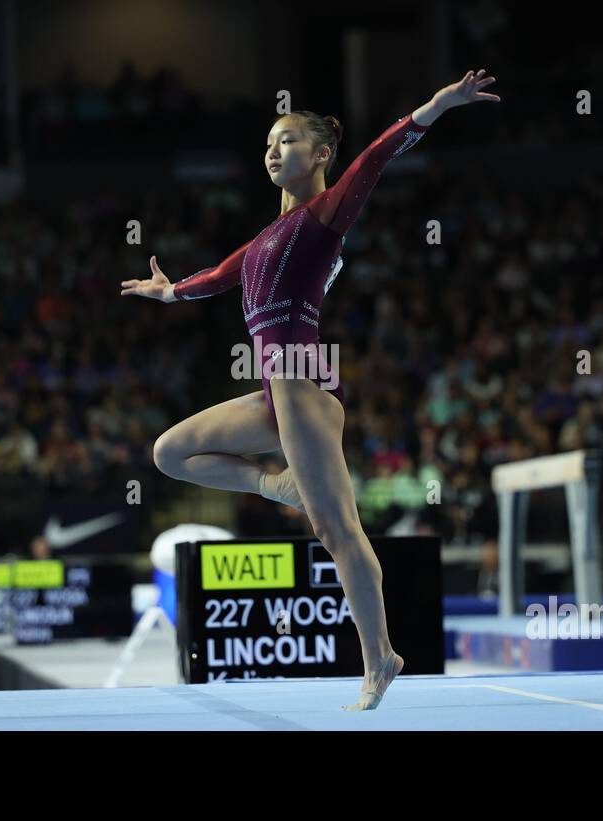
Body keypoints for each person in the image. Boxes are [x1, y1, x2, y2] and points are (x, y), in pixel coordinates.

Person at [121, 69, 499, 709]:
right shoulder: (268, 234)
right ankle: (277, 485)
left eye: (288, 140)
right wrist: (171, 291)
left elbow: (377, 158)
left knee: (337, 530)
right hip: (276, 386)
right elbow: (217, 275)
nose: (273, 150)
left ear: (322, 154)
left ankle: (379, 656)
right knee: (169, 452)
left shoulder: (325, 215)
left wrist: (435, 106)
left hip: (304, 378)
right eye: (268, 142)